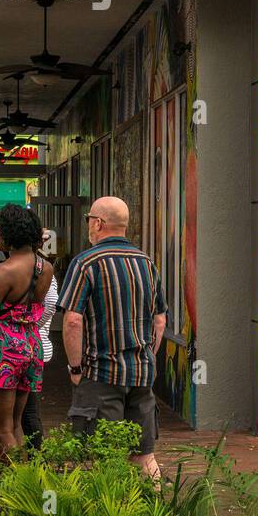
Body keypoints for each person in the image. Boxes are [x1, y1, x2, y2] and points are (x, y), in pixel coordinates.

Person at [62, 197, 166, 477]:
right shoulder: (147, 263)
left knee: (102, 457)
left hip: (101, 374)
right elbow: (159, 320)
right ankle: (152, 513)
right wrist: (147, 357)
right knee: (144, 456)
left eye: (89, 220)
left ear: (98, 223)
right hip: (142, 374)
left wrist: (75, 368)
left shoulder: (86, 263)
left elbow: (72, 321)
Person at [0, 204, 54, 463]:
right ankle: (23, 489)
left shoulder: (3, 272)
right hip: (30, 343)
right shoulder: (44, 268)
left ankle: (13, 493)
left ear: (8, 234)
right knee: (15, 426)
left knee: (0, 431)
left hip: (1, 350)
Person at [20, 235, 58, 450]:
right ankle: (33, 460)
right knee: (28, 409)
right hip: (34, 345)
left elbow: (51, 302)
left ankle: (32, 460)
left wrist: (29, 324)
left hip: (27, 345)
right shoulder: (43, 268)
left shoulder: (41, 269)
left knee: (26, 410)